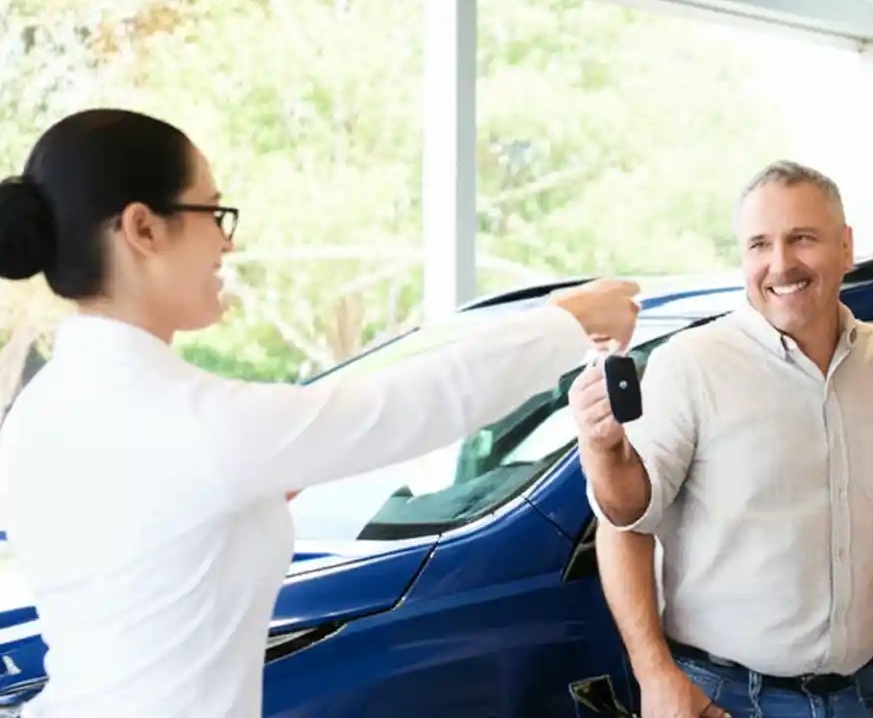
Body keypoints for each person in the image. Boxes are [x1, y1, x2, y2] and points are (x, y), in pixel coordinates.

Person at [0, 108, 640, 718]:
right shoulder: (191, 421)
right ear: (142, 228)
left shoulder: (38, 414)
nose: (228, 240)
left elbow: (153, 552)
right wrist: (567, 323)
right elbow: (414, 403)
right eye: (211, 210)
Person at [569, 160, 873, 718]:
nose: (781, 264)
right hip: (724, 699)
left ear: (846, 247)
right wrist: (656, 675)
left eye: (802, 238)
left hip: (853, 696)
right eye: (759, 245)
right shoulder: (693, 363)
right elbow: (627, 517)